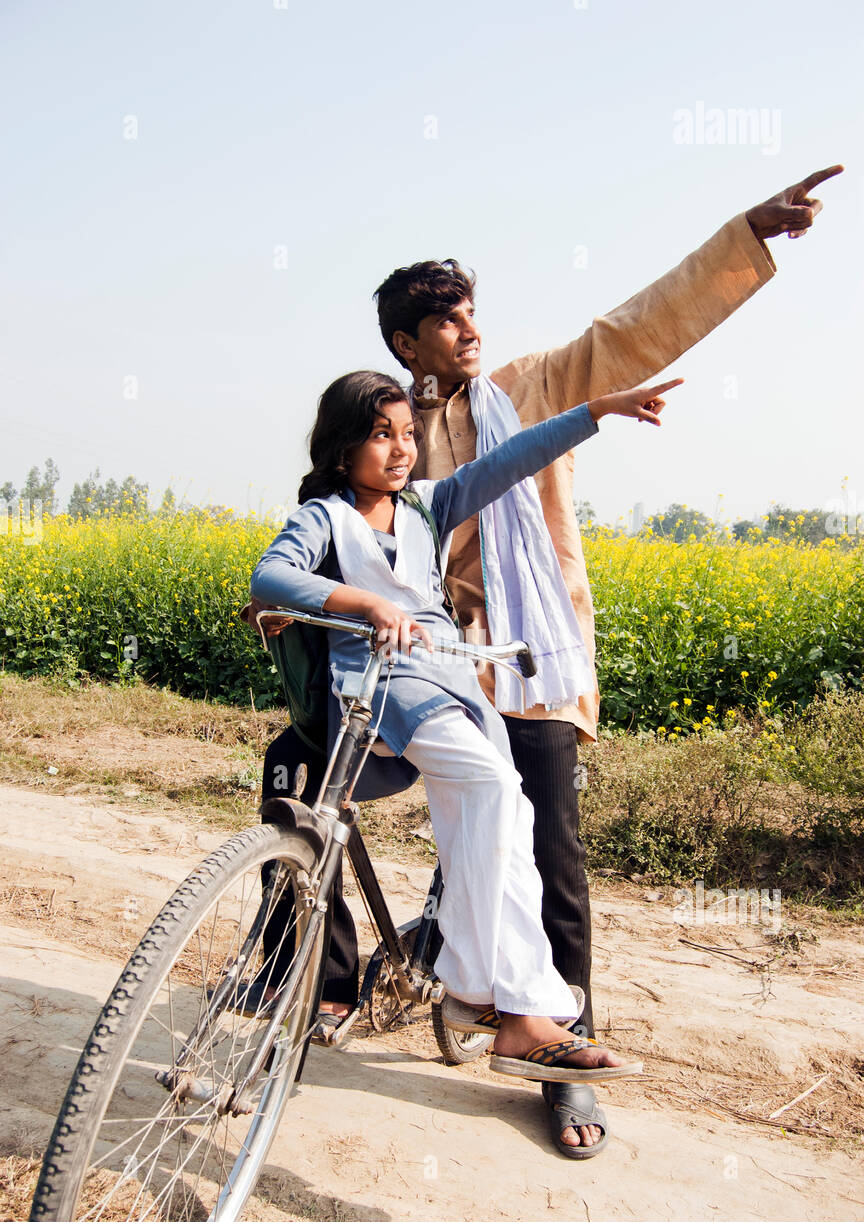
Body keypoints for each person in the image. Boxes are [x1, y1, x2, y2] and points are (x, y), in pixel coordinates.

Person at [256, 164, 843, 1154]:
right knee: (293, 768)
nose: (469, 330)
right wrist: (298, 603)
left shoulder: (527, 388)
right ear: (406, 344)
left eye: (472, 312)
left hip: (530, 664)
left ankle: (560, 1051)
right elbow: (327, 541)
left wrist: (746, 236)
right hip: (425, 677)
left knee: (551, 856)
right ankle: (315, 983)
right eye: (446, 320)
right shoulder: (385, 431)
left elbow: (634, 331)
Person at [249, 369, 683, 1116]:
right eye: (381, 434)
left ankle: (498, 1003)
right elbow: (272, 575)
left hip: (452, 686)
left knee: (506, 817)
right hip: (382, 689)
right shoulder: (325, 516)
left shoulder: (428, 507)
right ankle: (495, 1003)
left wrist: (597, 412)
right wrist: (363, 600)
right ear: (342, 443)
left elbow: (510, 460)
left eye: (408, 435)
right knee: (489, 790)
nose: (399, 450)